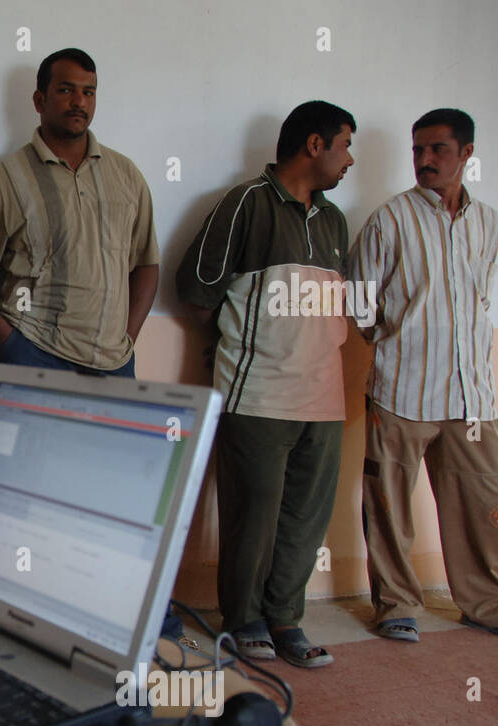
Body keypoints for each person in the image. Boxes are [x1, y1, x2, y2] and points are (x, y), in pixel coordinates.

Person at [175, 101, 357, 668]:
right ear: (313, 145)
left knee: (305, 519)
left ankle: (286, 619)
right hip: (256, 394)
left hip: (324, 397)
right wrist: (247, 345)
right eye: (345, 145)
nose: (350, 160)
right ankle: (243, 618)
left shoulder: (333, 220)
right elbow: (198, 291)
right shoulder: (246, 203)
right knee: (252, 515)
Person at [347, 108, 498, 645]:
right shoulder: (389, 219)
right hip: (402, 389)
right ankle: (397, 605)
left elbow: (481, 298)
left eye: (437, 150)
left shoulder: (488, 221)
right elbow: (358, 299)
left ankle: (490, 605)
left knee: (485, 506)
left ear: (466, 153)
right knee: (390, 506)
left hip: (473, 395)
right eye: (417, 150)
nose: (424, 160)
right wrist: (394, 342)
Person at [0, 48, 159, 378]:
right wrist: (12, 345)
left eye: (88, 92)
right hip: (34, 356)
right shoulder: (4, 180)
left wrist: (127, 340)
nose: (79, 101)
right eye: (65, 90)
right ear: (39, 100)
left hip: (113, 365)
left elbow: (146, 264)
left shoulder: (126, 175)